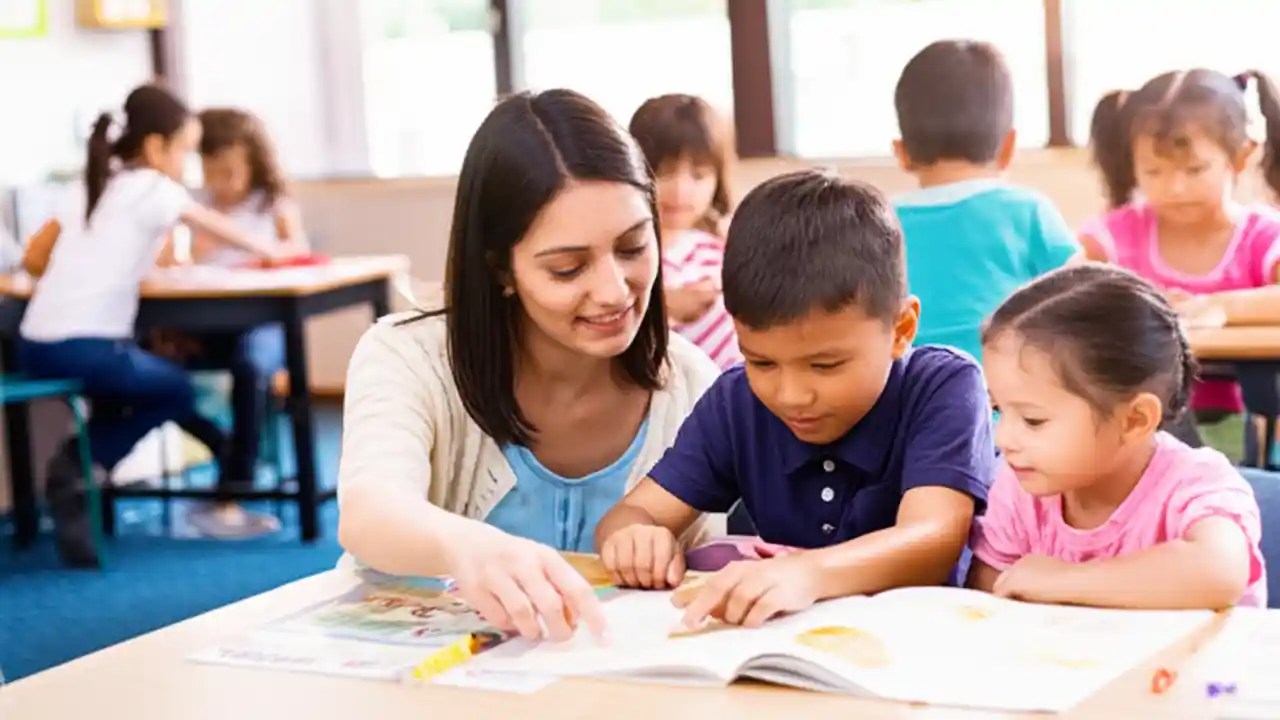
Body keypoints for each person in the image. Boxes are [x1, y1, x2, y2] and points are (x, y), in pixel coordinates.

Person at [336, 89, 723, 642]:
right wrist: (468, 546)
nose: (614, 292)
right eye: (568, 268)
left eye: (634, 247)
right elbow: (371, 512)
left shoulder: (691, 386)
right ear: (501, 270)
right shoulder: (408, 357)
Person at [595, 170, 995, 629]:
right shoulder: (736, 401)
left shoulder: (942, 386)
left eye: (825, 366)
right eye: (761, 362)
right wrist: (634, 537)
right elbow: (631, 512)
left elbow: (933, 538)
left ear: (901, 330)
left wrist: (808, 572)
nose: (790, 395)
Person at [17, 84, 288, 567]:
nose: (188, 164)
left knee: (134, 386)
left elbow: (35, 257)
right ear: (155, 147)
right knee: (175, 390)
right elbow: (208, 222)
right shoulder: (155, 187)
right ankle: (82, 466)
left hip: (34, 342)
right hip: (87, 347)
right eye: (185, 150)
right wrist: (271, 251)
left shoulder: (91, 183)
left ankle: (96, 472)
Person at [969, 264, 1266, 609]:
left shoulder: (1196, 483)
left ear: (1134, 421)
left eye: (1033, 420)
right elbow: (990, 592)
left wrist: (1061, 580)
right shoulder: (1020, 487)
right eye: (998, 410)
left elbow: (1219, 573)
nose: (1004, 438)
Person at [1082, 69, 1280, 425]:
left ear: (1241, 156)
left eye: (1195, 170)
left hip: (1248, 427)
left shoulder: (1263, 237)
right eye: (1154, 172)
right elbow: (1065, 298)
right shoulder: (1113, 237)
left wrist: (1216, 305)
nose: (1175, 188)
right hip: (1136, 428)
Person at [892, 40, 1081, 363]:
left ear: (902, 153)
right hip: (1004, 398)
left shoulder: (880, 220)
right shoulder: (1028, 210)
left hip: (908, 398)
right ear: (1009, 146)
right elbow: (1084, 293)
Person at [182, 107, 309, 537]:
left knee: (252, 366)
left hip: (262, 321)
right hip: (206, 320)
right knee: (151, 365)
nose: (221, 184)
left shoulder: (271, 203)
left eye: (230, 172)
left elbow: (299, 253)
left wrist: (261, 255)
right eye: (211, 172)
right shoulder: (193, 204)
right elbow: (171, 262)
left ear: (253, 163)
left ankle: (235, 486)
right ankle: (224, 445)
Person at [629, 93, 740, 370]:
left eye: (699, 175)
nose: (680, 190)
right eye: (663, 172)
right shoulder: (623, 257)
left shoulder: (723, 249)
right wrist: (666, 307)